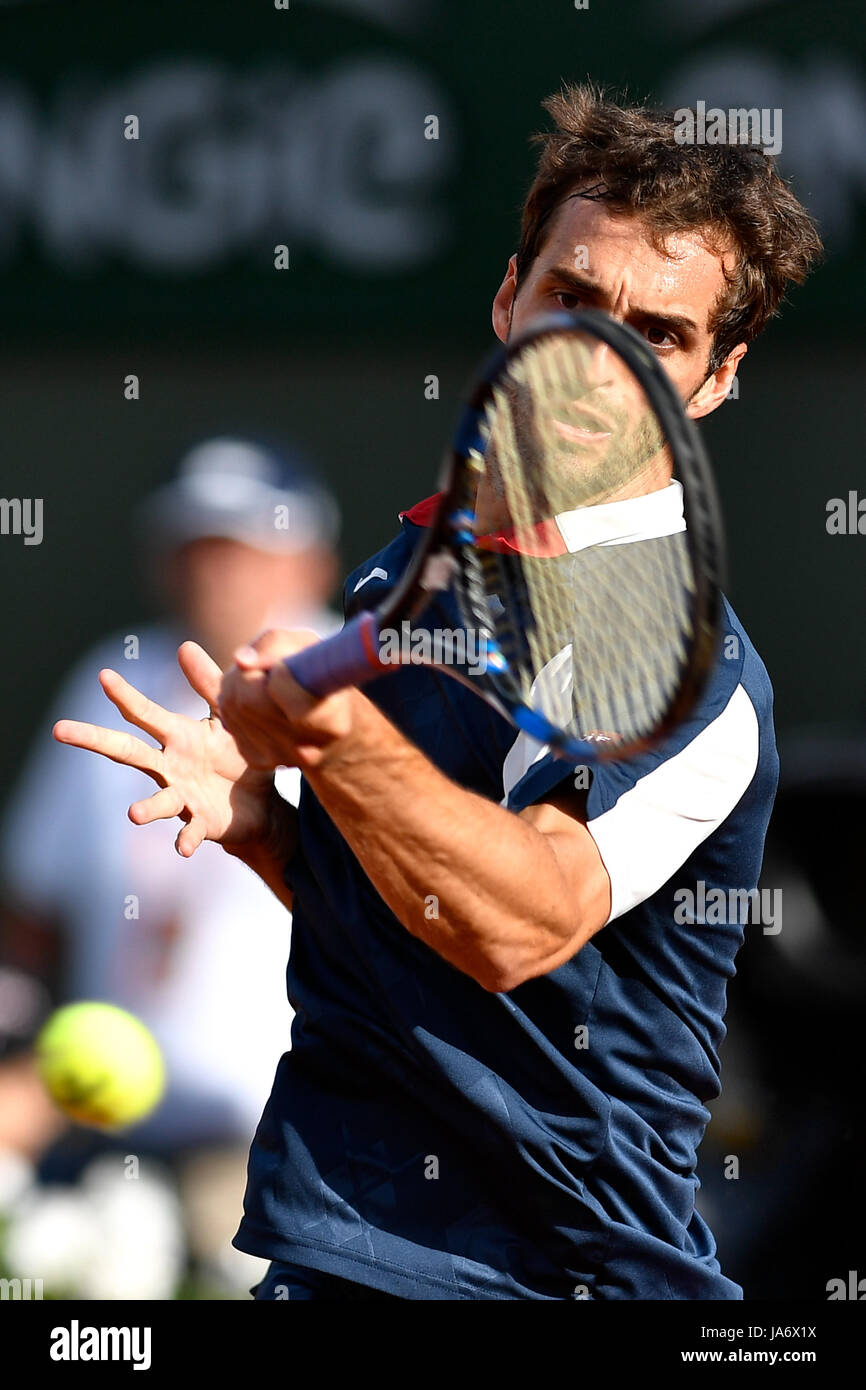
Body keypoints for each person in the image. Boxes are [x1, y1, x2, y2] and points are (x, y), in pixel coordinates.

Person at [53, 86, 822, 1300]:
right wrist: (274, 835)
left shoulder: (681, 661)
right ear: (509, 297)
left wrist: (342, 745)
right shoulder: (404, 570)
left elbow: (518, 925)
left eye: (657, 334)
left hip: (548, 1279)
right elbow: (404, 913)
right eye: (572, 299)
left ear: (716, 378)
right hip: (340, 1241)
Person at [0, 436, 339, 1295]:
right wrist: (17, 1059)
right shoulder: (110, 681)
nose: (212, 574)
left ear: (312, 559)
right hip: (105, 1135)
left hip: (305, 1144)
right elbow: (29, 918)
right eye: (193, 550)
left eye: (237, 548)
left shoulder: (369, 691)